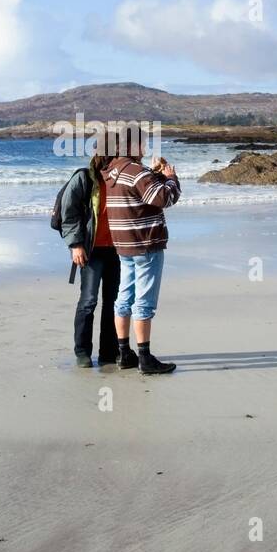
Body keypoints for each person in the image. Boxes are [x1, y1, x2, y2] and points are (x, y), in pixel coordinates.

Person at [104, 129, 180, 374]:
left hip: (123, 244)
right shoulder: (137, 172)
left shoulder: (112, 171)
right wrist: (171, 178)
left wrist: (153, 173)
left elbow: (139, 192)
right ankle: (145, 358)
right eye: (143, 144)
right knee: (144, 303)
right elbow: (164, 198)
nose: (146, 148)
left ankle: (125, 353)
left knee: (124, 297)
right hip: (145, 243)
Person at [59, 143, 133, 369]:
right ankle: (82, 352)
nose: (113, 159)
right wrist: (76, 245)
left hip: (117, 250)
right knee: (89, 301)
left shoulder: (120, 179)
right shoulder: (85, 178)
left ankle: (108, 353)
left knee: (114, 302)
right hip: (91, 251)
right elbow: (68, 211)